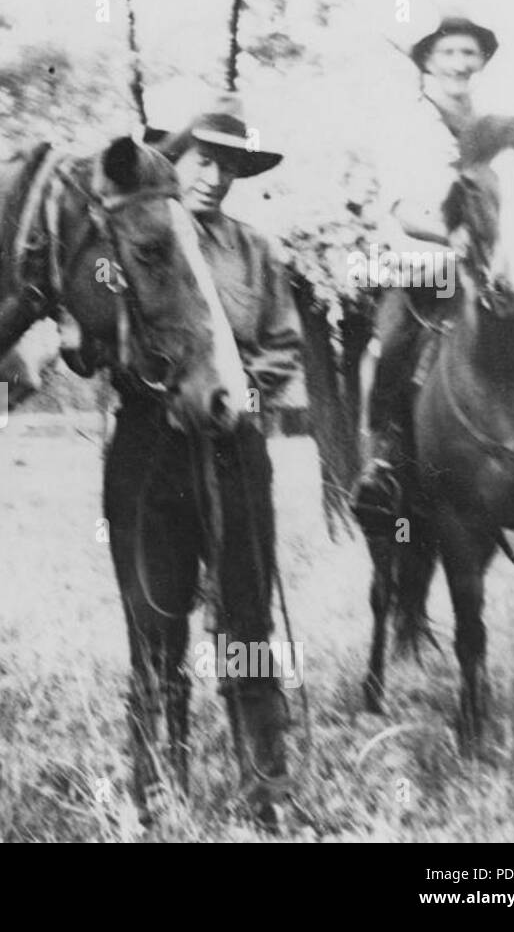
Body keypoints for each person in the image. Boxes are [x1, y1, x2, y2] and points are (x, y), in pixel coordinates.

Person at [107, 94, 303, 824]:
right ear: (174, 159)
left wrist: (244, 391)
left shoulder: (255, 250)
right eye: (203, 159)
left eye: (230, 166)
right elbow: (100, 339)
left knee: (247, 622)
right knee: (155, 622)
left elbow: (283, 341)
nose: (215, 177)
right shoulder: (129, 240)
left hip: (234, 450)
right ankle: (156, 786)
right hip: (149, 451)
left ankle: (266, 789)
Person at [352, 13, 514, 532]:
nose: (460, 64)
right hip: (426, 262)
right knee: (393, 341)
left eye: (470, 54)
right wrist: (453, 237)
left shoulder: (495, 127)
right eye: (449, 53)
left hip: (499, 259)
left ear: (482, 62)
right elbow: (403, 209)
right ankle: (383, 460)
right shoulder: (405, 123)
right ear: (426, 60)